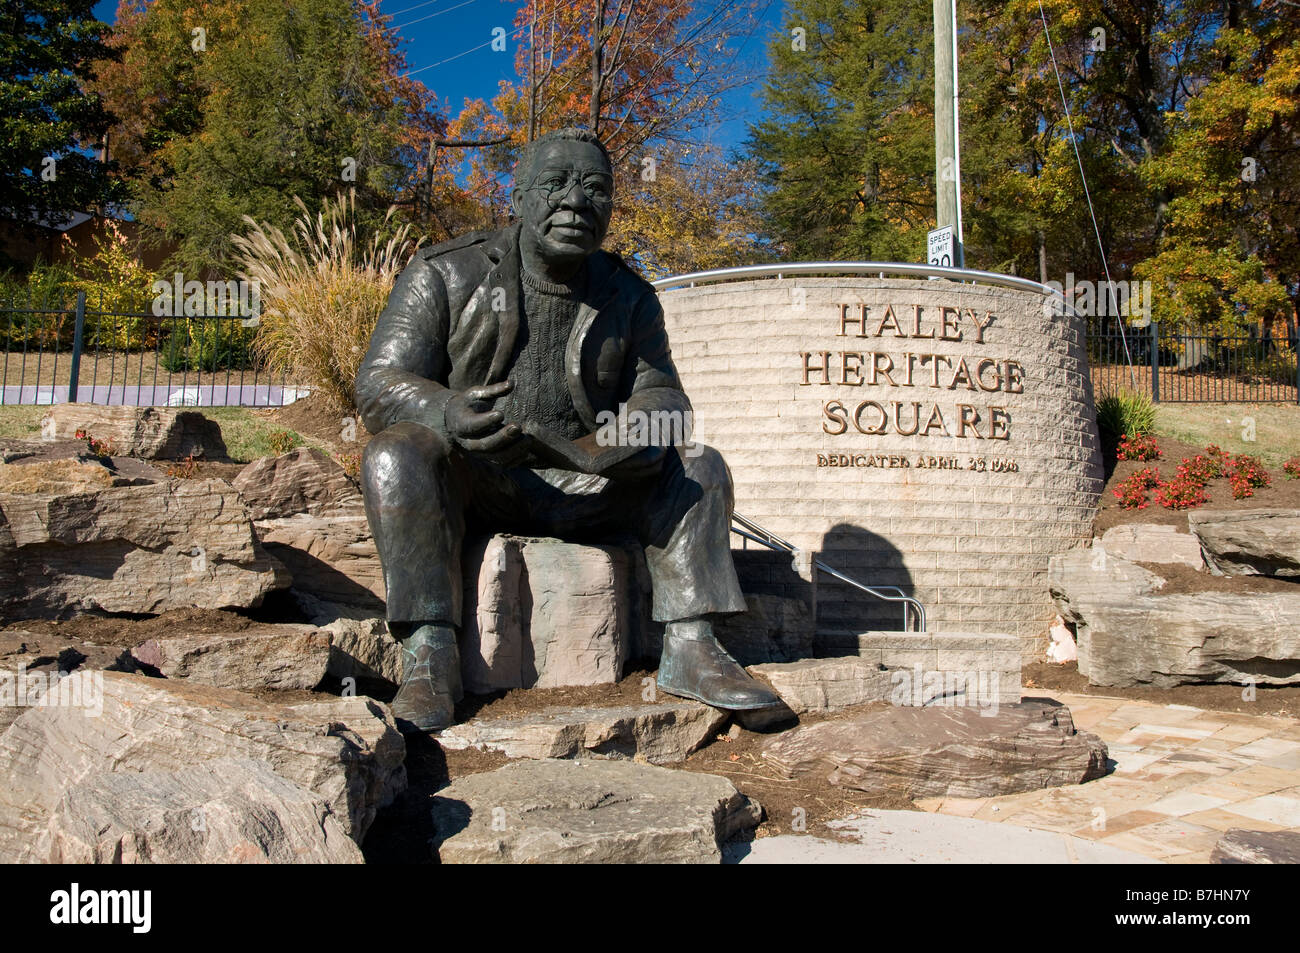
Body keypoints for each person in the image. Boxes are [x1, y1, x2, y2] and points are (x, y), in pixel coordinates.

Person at [355, 127, 780, 732]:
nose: (577, 203)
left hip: (591, 485)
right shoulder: (445, 274)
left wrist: (630, 435)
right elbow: (379, 384)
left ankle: (692, 647)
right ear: (520, 196)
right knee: (397, 452)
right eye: (555, 185)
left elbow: (664, 395)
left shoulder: (628, 294)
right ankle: (429, 654)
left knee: (698, 464)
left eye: (596, 190)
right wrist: (449, 412)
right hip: (480, 480)